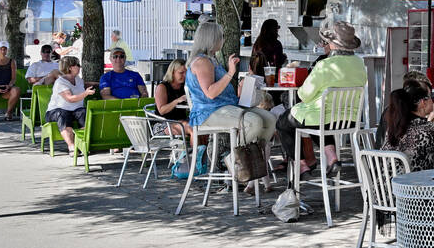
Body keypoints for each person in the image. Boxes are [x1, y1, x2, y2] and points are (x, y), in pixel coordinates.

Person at [276, 19, 367, 175]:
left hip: (323, 118)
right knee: (322, 119)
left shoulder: (325, 65)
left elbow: (303, 94)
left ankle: (302, 163)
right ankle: (332, 158)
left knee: (283, 123)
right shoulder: (359, 63)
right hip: (350, 119)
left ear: (332, 44)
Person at [186, 21, 277, 162]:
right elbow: (210, 93)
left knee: (270, 119)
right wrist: (230, 72)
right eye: (221, 36)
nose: (223, 39)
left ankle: (254, 160)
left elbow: (221, 89)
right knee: (254, 122)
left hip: (227, 106)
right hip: (209, 112)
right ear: (212, 38)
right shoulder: (202, 62)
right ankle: (233, 161)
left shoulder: (212, 59)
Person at [380, 82, 434, 171]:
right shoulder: (433, 130)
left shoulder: (394, 128)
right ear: (423, 102)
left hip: (388, 183)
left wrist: (429, 122)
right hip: (416, 183)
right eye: (432, 96)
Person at [45, 56, 95, 151]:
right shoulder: (61, 82)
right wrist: (85, 93)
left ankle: (82, 143)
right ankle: (71, 146)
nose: (80, 67)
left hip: (75, 110)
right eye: (78, 65)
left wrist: (100, 83)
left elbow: (85, 84)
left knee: (84, 112)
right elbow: (70, 98)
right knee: (63, 115)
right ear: (70, 67)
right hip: (56, 111)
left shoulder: (78, 80)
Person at [153, 60, 191, 133]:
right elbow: (162, 110)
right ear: (172, 73)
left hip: (181, 121)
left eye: (186, 72)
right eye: (181, 73)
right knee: (191, 129)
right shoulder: (162, 87)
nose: (185, 75)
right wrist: (177, 101)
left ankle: (200, 144)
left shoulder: (185, 87)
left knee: (201, 127)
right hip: (164, 124)